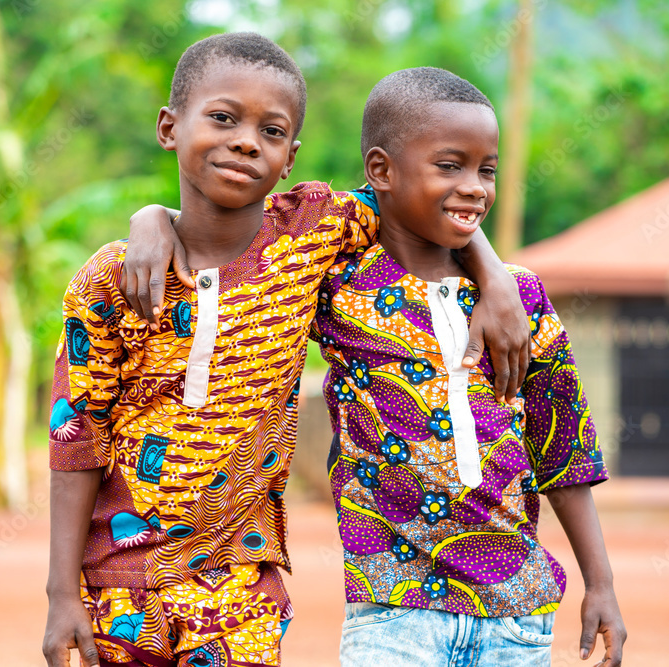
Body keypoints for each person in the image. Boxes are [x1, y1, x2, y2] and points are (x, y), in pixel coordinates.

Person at [42, 34, 530, 667]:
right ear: (169, 127)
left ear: (290, 157)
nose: (246, 142)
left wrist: (494, 275)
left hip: (242, 587)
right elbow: (76, 439)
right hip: (119, 585)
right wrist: (61, 593)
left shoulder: (313, 232)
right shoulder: (110, 280)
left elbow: (428, 203)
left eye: (271, 131)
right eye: (223, 118)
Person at [313, 68, 627, 666]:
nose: (475, 188)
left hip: (517, 617)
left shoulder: (523, 297)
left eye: (487, 169)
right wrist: (154, 217)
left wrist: (601, 583)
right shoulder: (338, 285)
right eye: (450, 166)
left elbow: (562, 448)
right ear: (381, 170)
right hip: (394, 613)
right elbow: (262, 233)